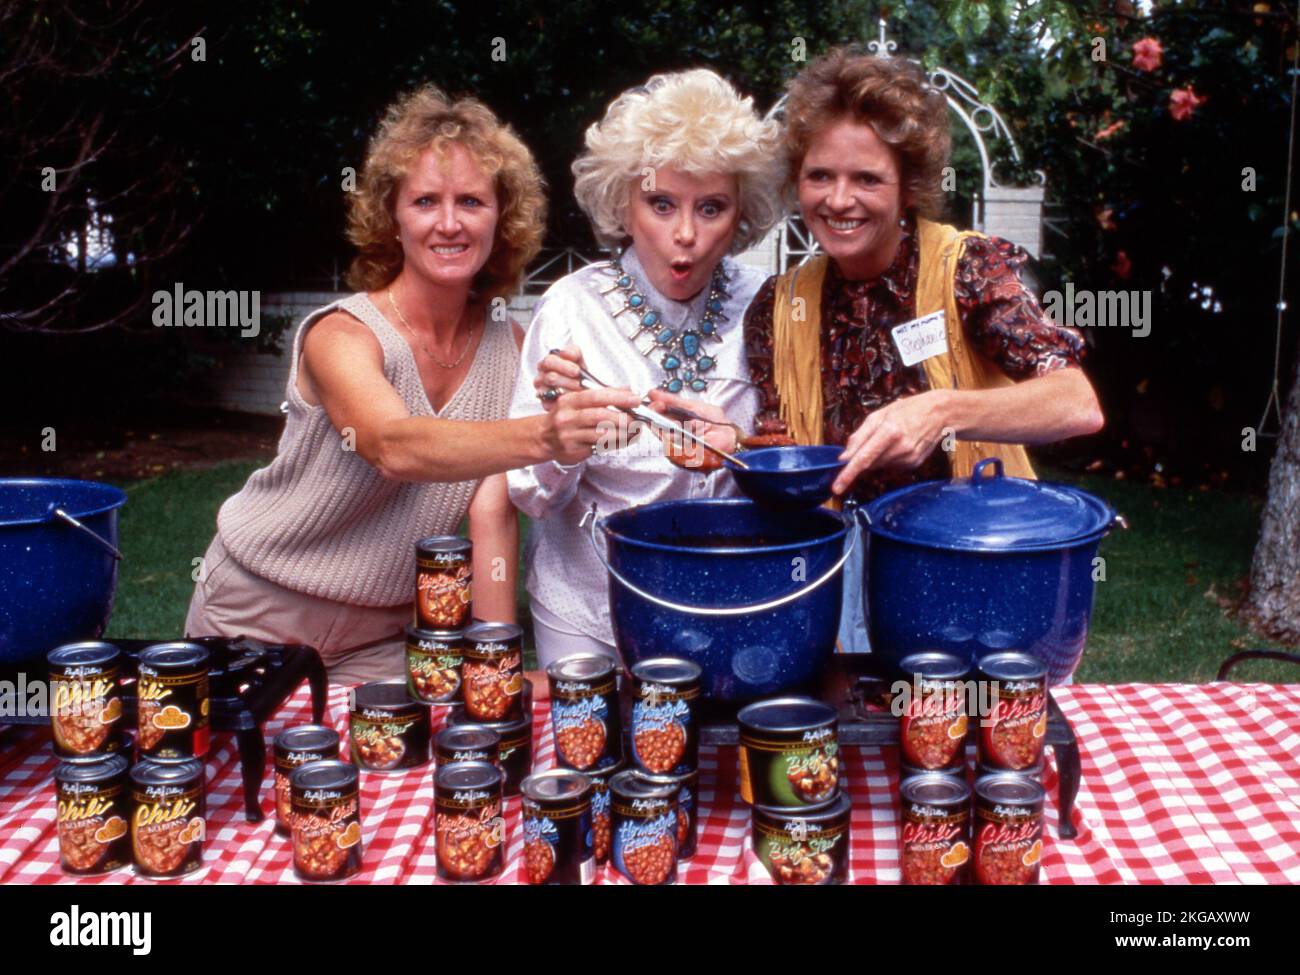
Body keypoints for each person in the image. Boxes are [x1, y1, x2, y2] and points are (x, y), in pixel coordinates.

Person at [651, 49, 1104, 652]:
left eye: (867, 178)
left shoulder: (970, 268)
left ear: (909, 186)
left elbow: (1076, 404)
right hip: (838, 575)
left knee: (963, 734)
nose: (839, 200)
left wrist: (943, 409)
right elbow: (796, 455)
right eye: (820, 176)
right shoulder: (779, 305)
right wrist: (734, 447)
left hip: (976, 562)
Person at [185, 86, 638, 683]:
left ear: (500, 220)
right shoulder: (343, 333)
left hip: (386, 636)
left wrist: (497, 660)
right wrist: (548, 435)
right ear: (392, 218)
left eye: (472, 202)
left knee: (388, 774)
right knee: (230, 776)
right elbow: (392, 447)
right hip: (257, 610)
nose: (449, 223)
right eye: (425, 200)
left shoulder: (512, 348)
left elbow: (493, 511)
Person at [507, 69, 785, 668]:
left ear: (741, 215)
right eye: (661, 204)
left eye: (711, 207)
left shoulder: (771, 305)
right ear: (621, 205)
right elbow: (529, 494)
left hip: (733, 600)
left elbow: (803, 459)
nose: (685, 235)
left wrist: (740, 448)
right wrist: (564, 442)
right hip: (590, 606)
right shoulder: (570, 307)